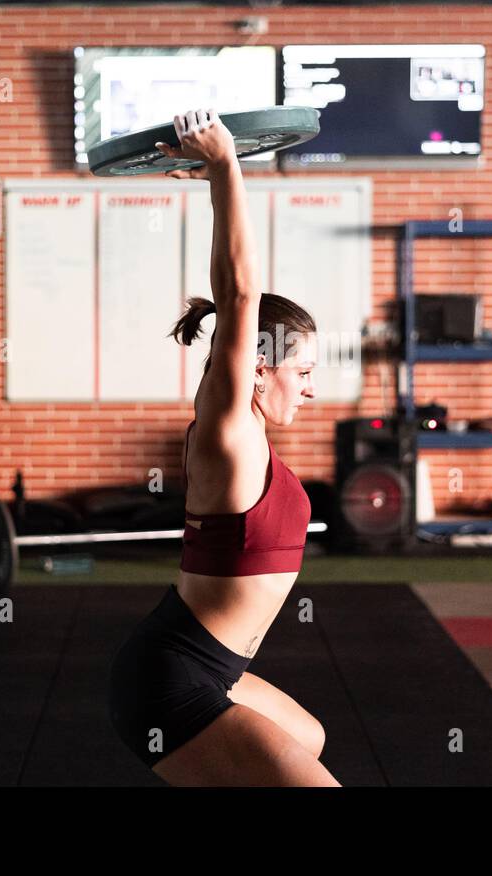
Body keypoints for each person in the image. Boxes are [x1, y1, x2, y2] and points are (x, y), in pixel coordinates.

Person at [106, 108, 340, 786]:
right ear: (257, 368)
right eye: (302, 373)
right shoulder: (229, 434)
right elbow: (239, 293)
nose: (312, 390)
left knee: (307, 737)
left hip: (215, 670)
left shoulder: (257, 438)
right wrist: (224, 165)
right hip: (169, 681)